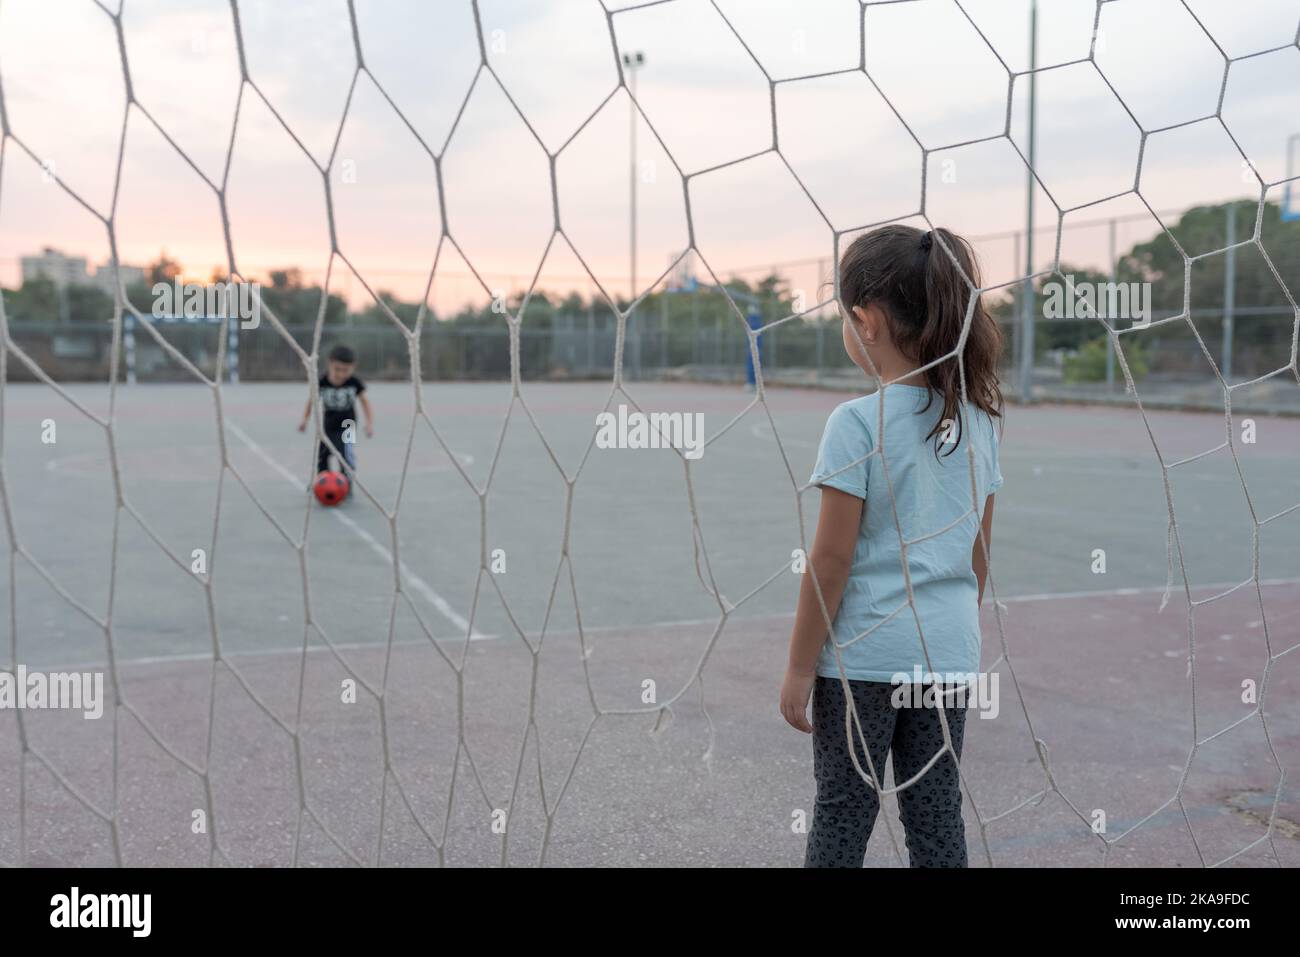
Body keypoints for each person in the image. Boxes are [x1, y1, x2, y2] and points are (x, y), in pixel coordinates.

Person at [779, 225, 1004, 868]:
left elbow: (831, 561)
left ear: (866, 321)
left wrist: (799, 666)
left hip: (864, 661)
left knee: (844, 810)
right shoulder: (981, 422)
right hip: (947, 656)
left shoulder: (855, 422)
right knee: (935, 813)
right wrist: (947, 621)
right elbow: (977, 555)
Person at [298, 344, 374, 489]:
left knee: (345, 455)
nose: (341, 374)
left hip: (348, 425)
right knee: (322, 455)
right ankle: (322, 482)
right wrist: (304, 420)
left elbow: (365, 403)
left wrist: (369, 423)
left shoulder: (354, 382)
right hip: (328, 425)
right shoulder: (322, 382)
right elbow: (312, 401)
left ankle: (346, 483)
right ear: (330, 364)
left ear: (353, 367)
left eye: (345, 370)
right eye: (337, 369)